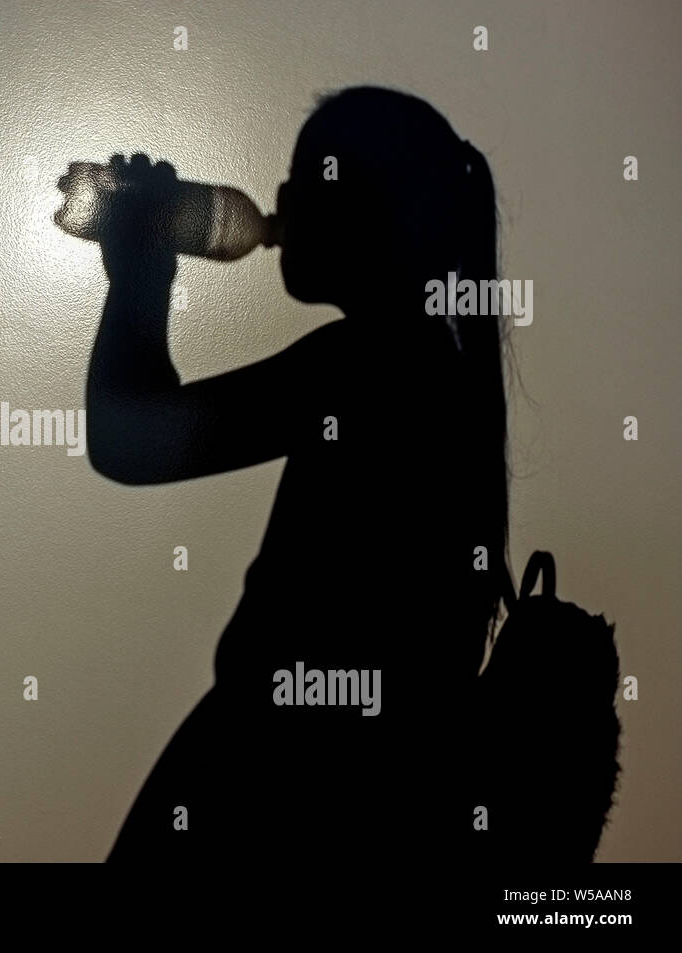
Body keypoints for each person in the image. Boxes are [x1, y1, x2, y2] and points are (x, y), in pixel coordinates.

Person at [82, 87, 511, 862]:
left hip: (272, 795)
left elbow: (131, 439)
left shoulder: (371, 365)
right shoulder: (433, 375)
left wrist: (139, 279)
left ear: (378, 213)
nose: (279, 201)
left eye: (312, 177)